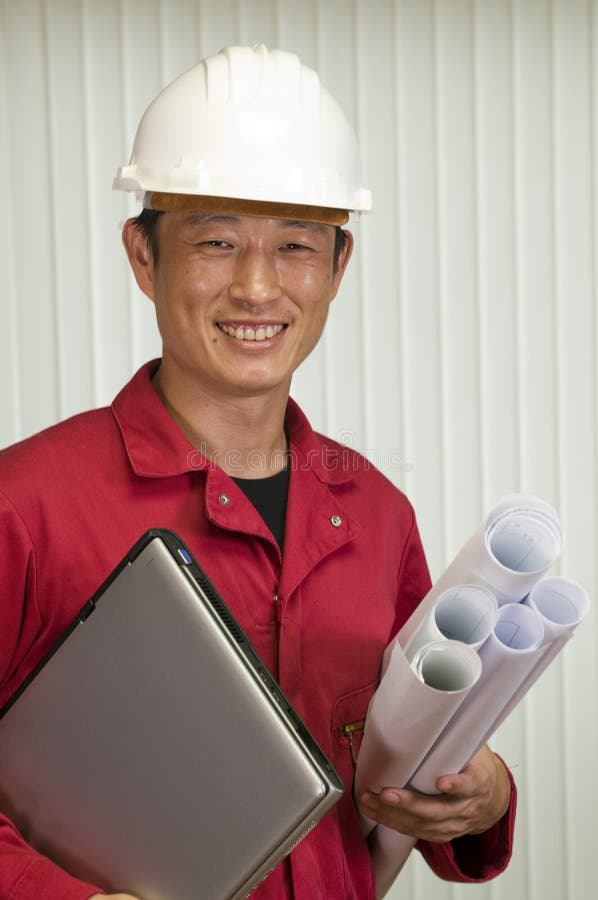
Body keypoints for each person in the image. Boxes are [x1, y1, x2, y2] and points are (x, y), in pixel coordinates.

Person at [0, 45, 514, 900]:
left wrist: (481, 797)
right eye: (215, 241)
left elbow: (413, 769)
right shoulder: (27, 505)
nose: (256, 285)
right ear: (142, 256)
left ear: (338, 269)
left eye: (295, 246)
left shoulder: (377, 515)